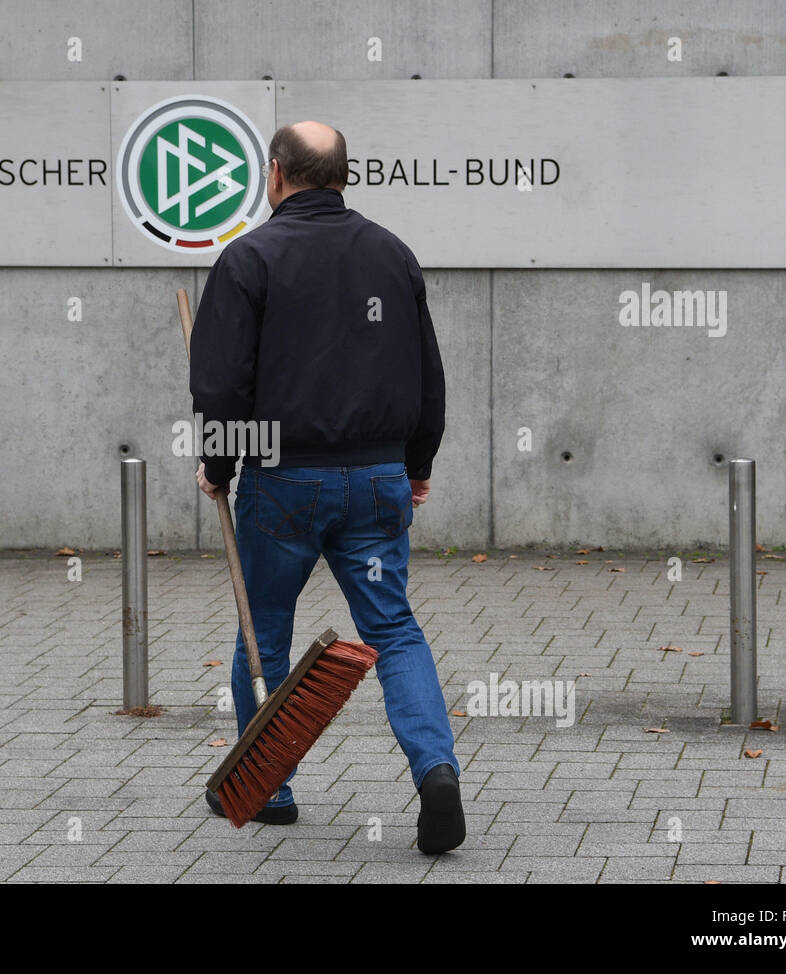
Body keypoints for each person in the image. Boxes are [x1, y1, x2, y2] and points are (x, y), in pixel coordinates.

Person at [189, 120, 465, 854]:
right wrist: (418, 465)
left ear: (276, 174)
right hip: (377, 480)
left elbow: (222, 384)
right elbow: (428, 374)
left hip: (284, 480)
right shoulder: (391, 254)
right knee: (395, 629)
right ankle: (436, 771)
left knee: (265, 629)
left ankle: (269, 791)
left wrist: (218, 468)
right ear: (342, 175)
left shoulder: (249, 259)